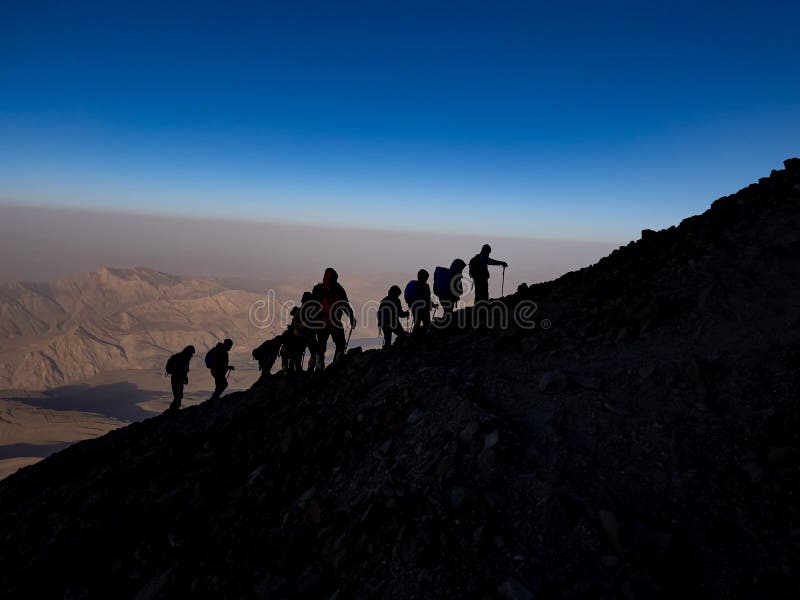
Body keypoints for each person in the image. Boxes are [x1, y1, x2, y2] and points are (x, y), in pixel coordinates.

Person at [310, 268, 356, 369]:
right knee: (340, 344)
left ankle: (319, 366)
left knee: (321, 345)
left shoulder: (318, 289)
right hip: (334, 322)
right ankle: (336, 365)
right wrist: (351, 318)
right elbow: (345, 306)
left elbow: (312, 306)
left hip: (321, 322)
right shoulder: (339, 289)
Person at [164, 345, 195, 412]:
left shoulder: (183, 358)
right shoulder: (182, 359)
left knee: (178, 396)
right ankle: (172, 412)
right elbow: (182, 370)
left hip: (177, 379)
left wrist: (185, 378)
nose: (192, 356)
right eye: (191, 354)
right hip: (177, 379)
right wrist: (184, 378)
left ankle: (173, 411)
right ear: (188, 352)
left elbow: (183, 371)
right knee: (177, 396)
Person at [409, 269, 433, 336]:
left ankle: (414, 337)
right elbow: (426, 298)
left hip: (415, 308)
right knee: (427, 323)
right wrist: (432, 305)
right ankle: (425, 338)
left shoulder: (415, 286)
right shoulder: (425, 286)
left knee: (417, 322)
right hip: (424, 308)